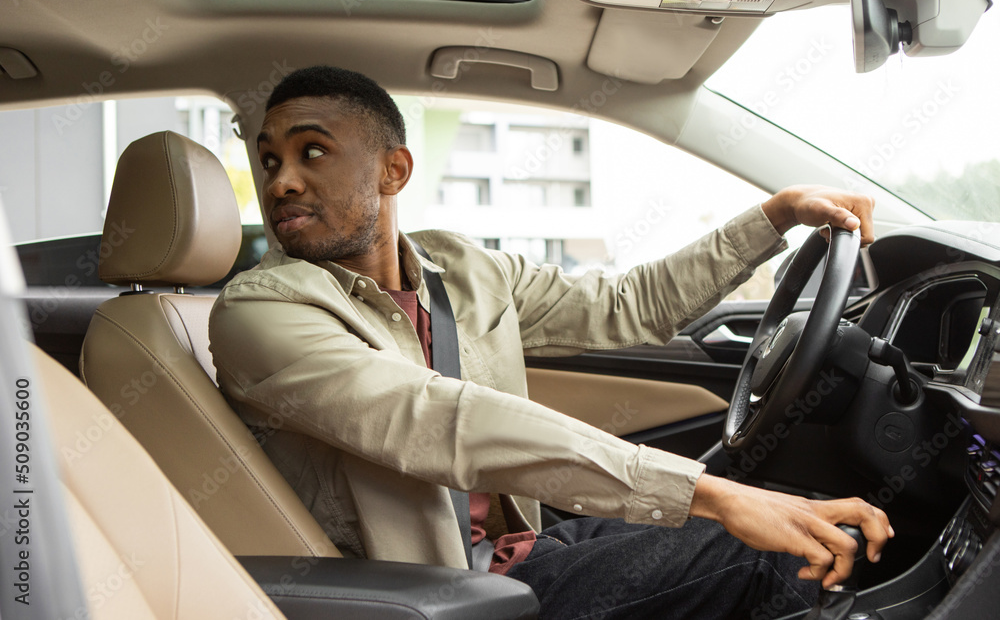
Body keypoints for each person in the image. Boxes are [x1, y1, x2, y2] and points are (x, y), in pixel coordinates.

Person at [209, 65, 892, 619]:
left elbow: (631, 305)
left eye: (312, 152)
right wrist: (713, 495)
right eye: (270, 160)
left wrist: (774, 216)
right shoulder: (259, 313)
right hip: (430, 594)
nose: (281, 181)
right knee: (768, 552)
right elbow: (442, 421)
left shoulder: (464, 272)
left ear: (394, 170)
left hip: (517, 552)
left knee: (796, 524)